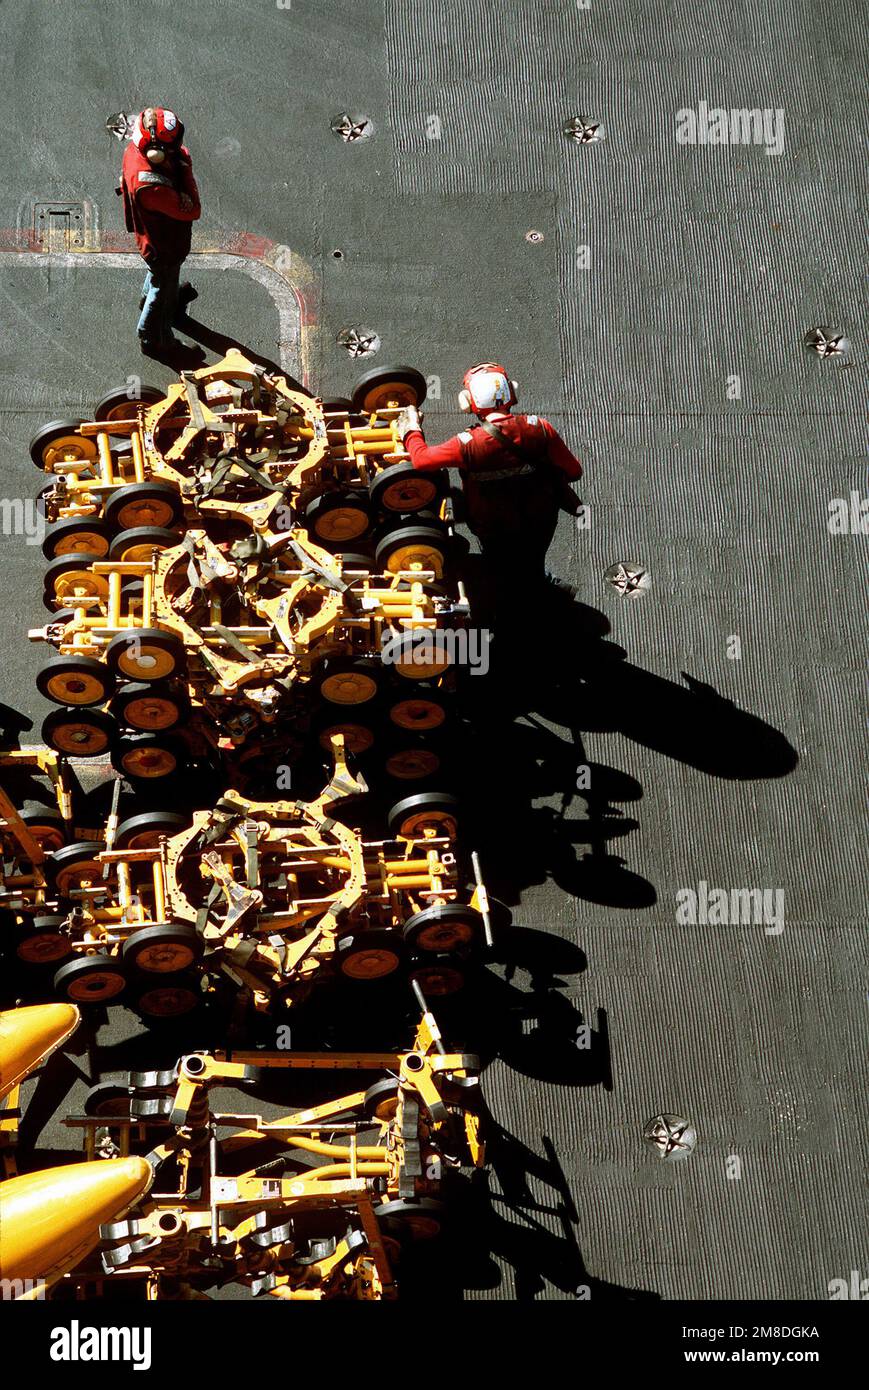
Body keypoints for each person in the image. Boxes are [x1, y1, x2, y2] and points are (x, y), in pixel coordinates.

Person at [396, 362, 583, 607]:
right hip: (541, 517)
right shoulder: (540, 428)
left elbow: (421, 460)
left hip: (491, 523)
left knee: (499, 561)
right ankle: (539, 583)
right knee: (533, 555)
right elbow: (574, 471)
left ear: (468, 402)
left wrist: (411, 430)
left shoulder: (468, 443)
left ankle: (510, 601)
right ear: (511, 393)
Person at [120, 107, 201, 354]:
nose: (181, 147)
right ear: (157, 152)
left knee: (160, 278)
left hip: (155, 241)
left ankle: (156, 300)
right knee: (162, 287)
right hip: (164, 244)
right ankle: (154, 337)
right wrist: (185, 166)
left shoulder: (136, 151)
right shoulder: (151, 186)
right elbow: (193, 210)